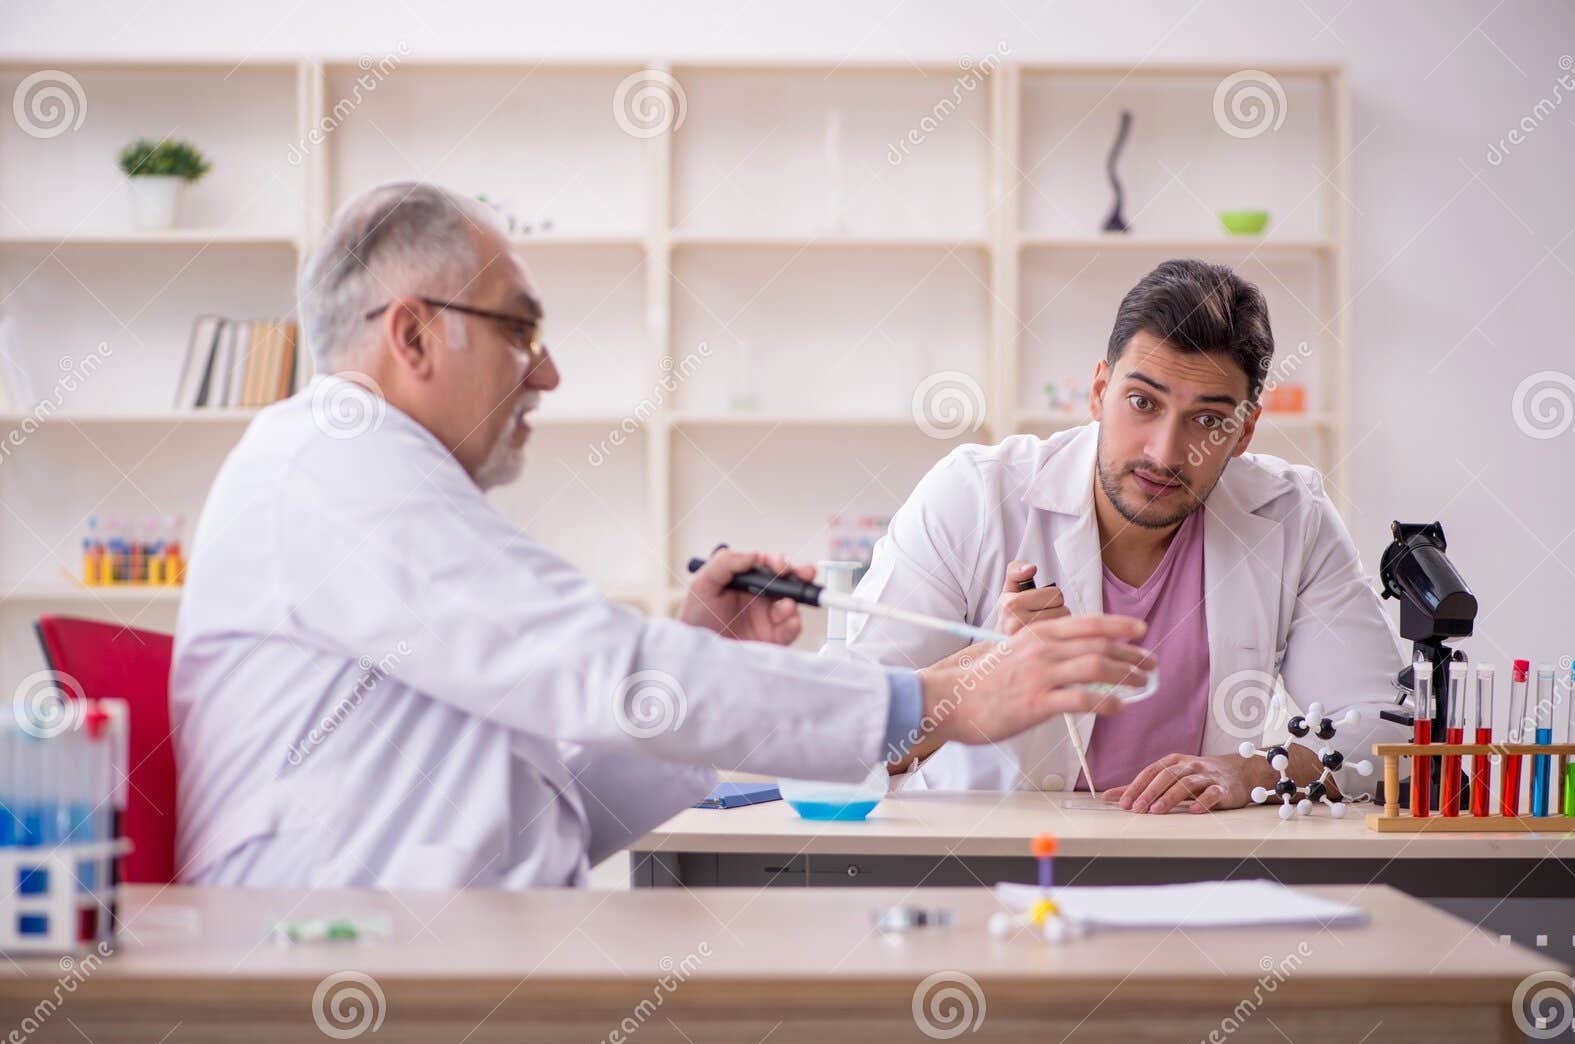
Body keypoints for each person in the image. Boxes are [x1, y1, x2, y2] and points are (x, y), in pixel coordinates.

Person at [171, 181, 1153, 888]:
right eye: (520, 329)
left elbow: (562, 813)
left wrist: (694, 653)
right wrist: (932, 703)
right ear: (415, 335)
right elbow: (597, 665)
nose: (545, 374)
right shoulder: (337, 467)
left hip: (435, 954)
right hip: (331, 977)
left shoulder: (386, 486)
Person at [848, 258, 1407, 812]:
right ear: (1098, 392)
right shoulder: (975, 494)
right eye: (1143, 403)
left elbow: (1387, 733)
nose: (1164, 453)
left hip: (1191, 871)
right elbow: (845, 735)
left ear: (1244, 432)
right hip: (982, 861)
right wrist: (989, 668)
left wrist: (1253, 772)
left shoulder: (1292, 516)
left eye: (1208, 419)